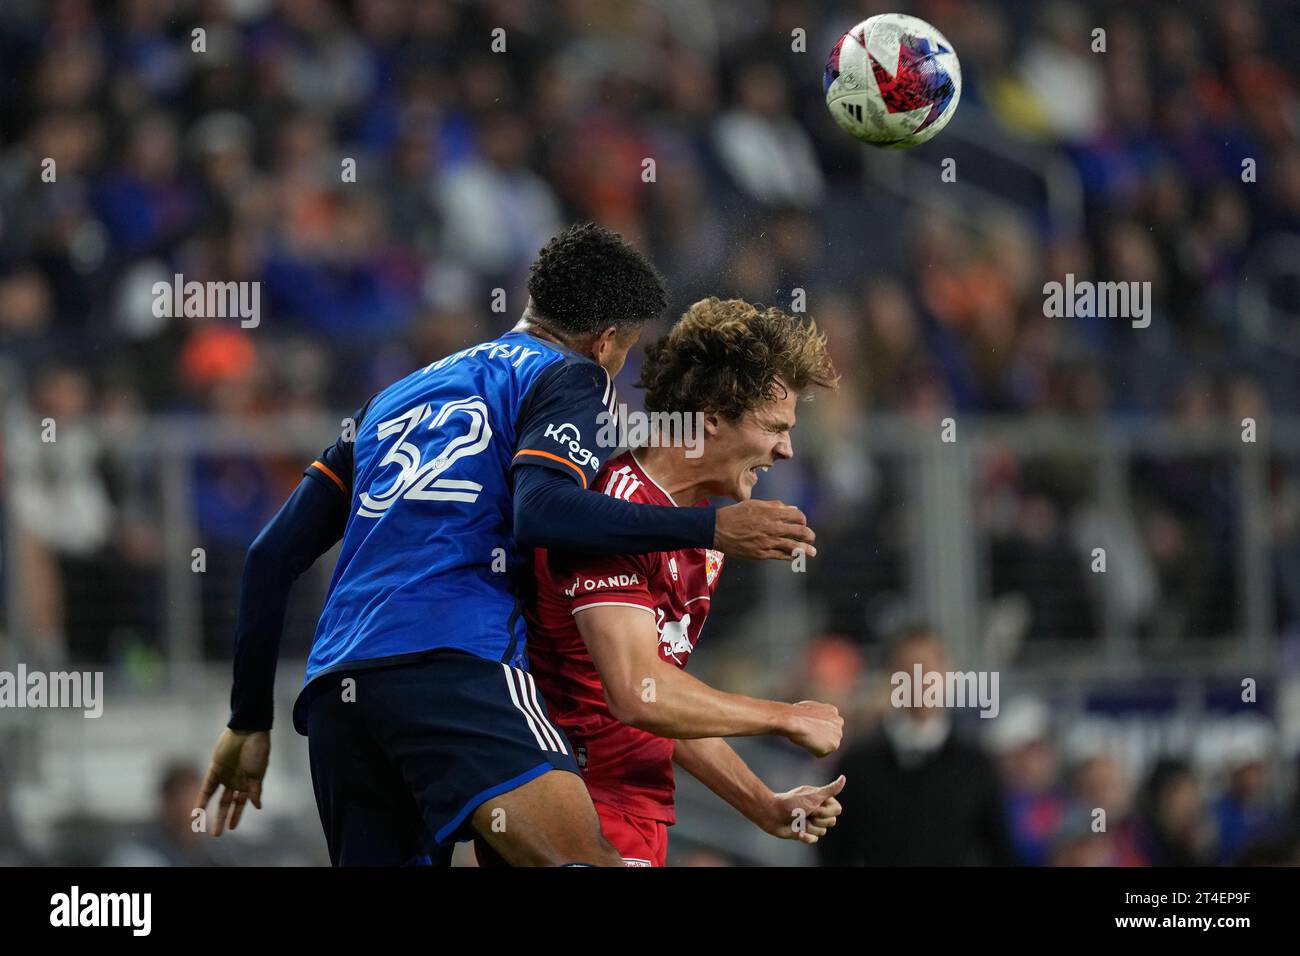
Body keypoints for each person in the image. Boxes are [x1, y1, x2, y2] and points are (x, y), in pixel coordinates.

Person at [194, 224, 817, 866]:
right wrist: (711, 528)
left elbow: (270, 556)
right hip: (455, 658)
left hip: (337, 692)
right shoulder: (570, 376)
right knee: (584, 860)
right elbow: (542, 511)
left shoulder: (394, 398)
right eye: (624, 351)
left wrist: (247, 718)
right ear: (605, 341)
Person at [503, 298, 845, 867]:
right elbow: (639, 693)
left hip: (634, 812)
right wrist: (784, 716)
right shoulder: (612, 510)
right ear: (710, 416)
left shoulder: (706, 537)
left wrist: (763, 804)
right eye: (773, 426)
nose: (786, 448)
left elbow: (670, 709)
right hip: (576, 808)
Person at [817, 627, 1016, 866]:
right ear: (892, 676)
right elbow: (833, 851)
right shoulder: (858, 765)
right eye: (910, 669)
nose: (922, 680)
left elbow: (1000, 850)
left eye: (930, 668)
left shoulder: (974, 764)